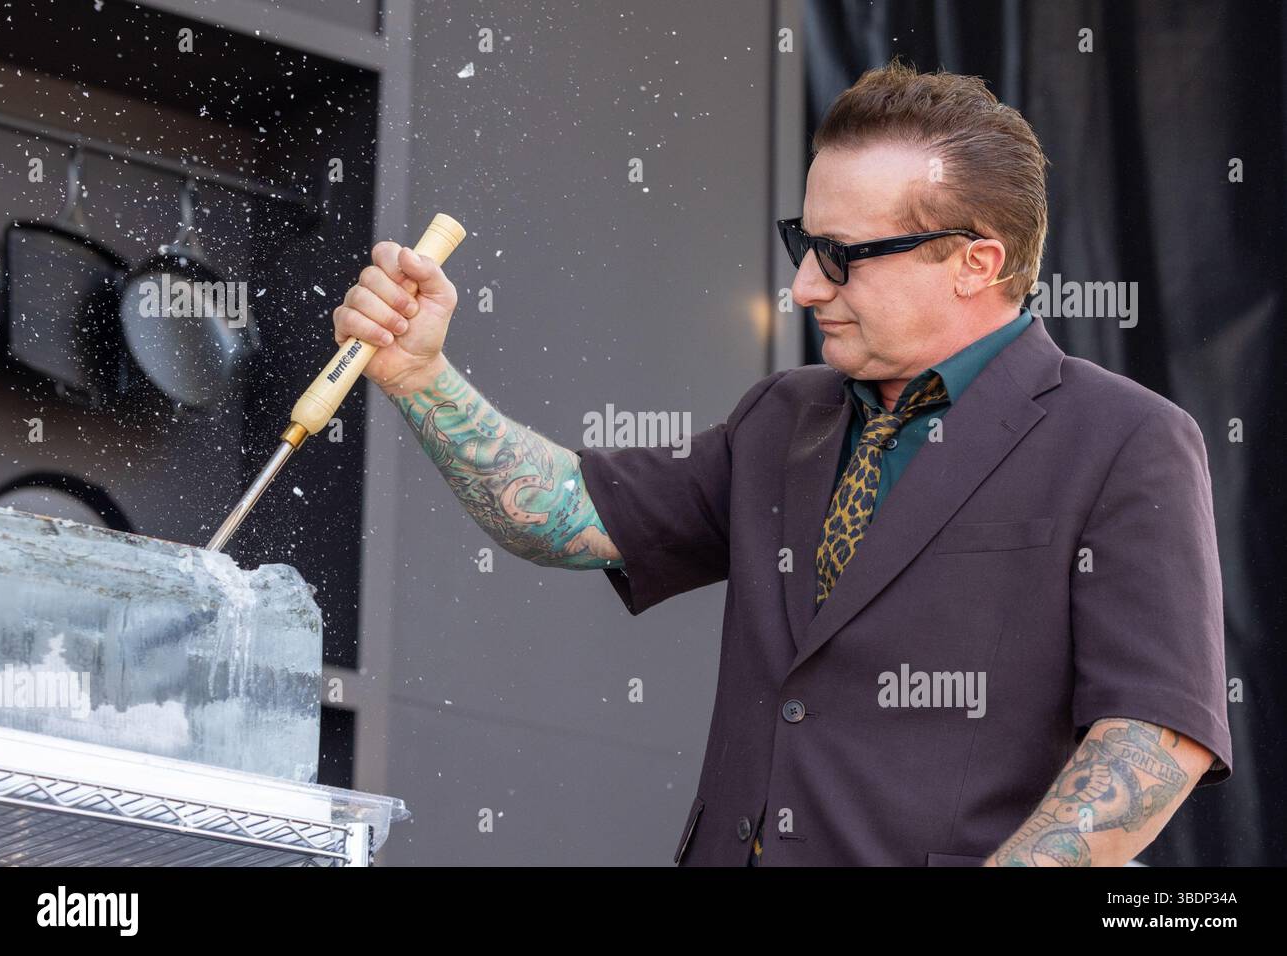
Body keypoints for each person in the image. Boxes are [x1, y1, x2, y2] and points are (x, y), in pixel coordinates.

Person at [331, 61, 1232, 866]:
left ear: (975, 262)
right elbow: (561, 513)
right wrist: (420, 375)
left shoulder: (1123, 438)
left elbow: (1155, 737)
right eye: (804, 244)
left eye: (841, 257)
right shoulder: (782, 417)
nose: (804, 287)